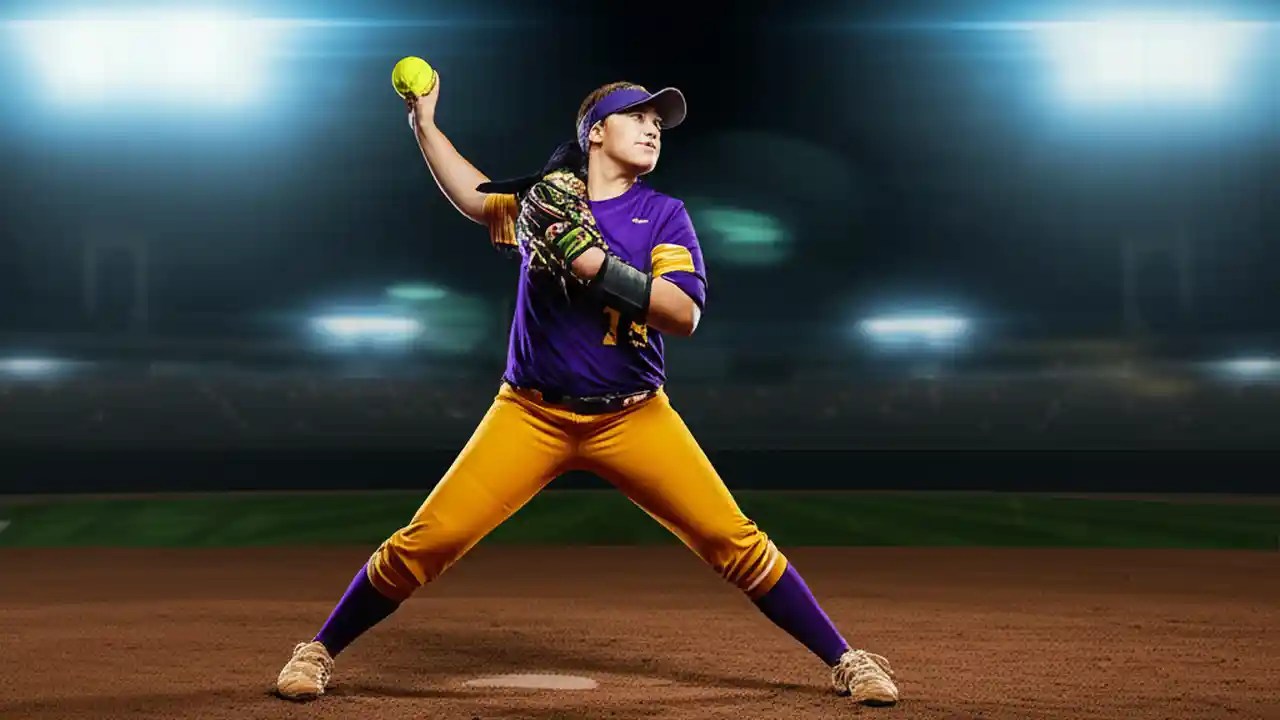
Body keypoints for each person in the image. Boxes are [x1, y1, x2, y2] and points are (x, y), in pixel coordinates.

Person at [273, 75, 900, 708]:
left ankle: (847, 659)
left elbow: (682, 314)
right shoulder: (542, 204)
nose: (654, 126)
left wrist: (592, 264)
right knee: (428, 540)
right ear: (595, 132)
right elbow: (471, 194)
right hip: (529, 414)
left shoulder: (663, 214)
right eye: (638, 116)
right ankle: (318, 649)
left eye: (660, 120)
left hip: (633, 417)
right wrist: (424, 125)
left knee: (732, 540)